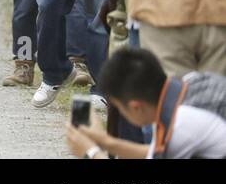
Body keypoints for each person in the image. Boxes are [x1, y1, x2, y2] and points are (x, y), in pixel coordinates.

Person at [67, 47, 226, 159]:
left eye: (120, 109)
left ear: (136, 107)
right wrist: (105, 142)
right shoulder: (191, 82)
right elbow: (156, 152)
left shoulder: (181, 123)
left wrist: (91, 152)